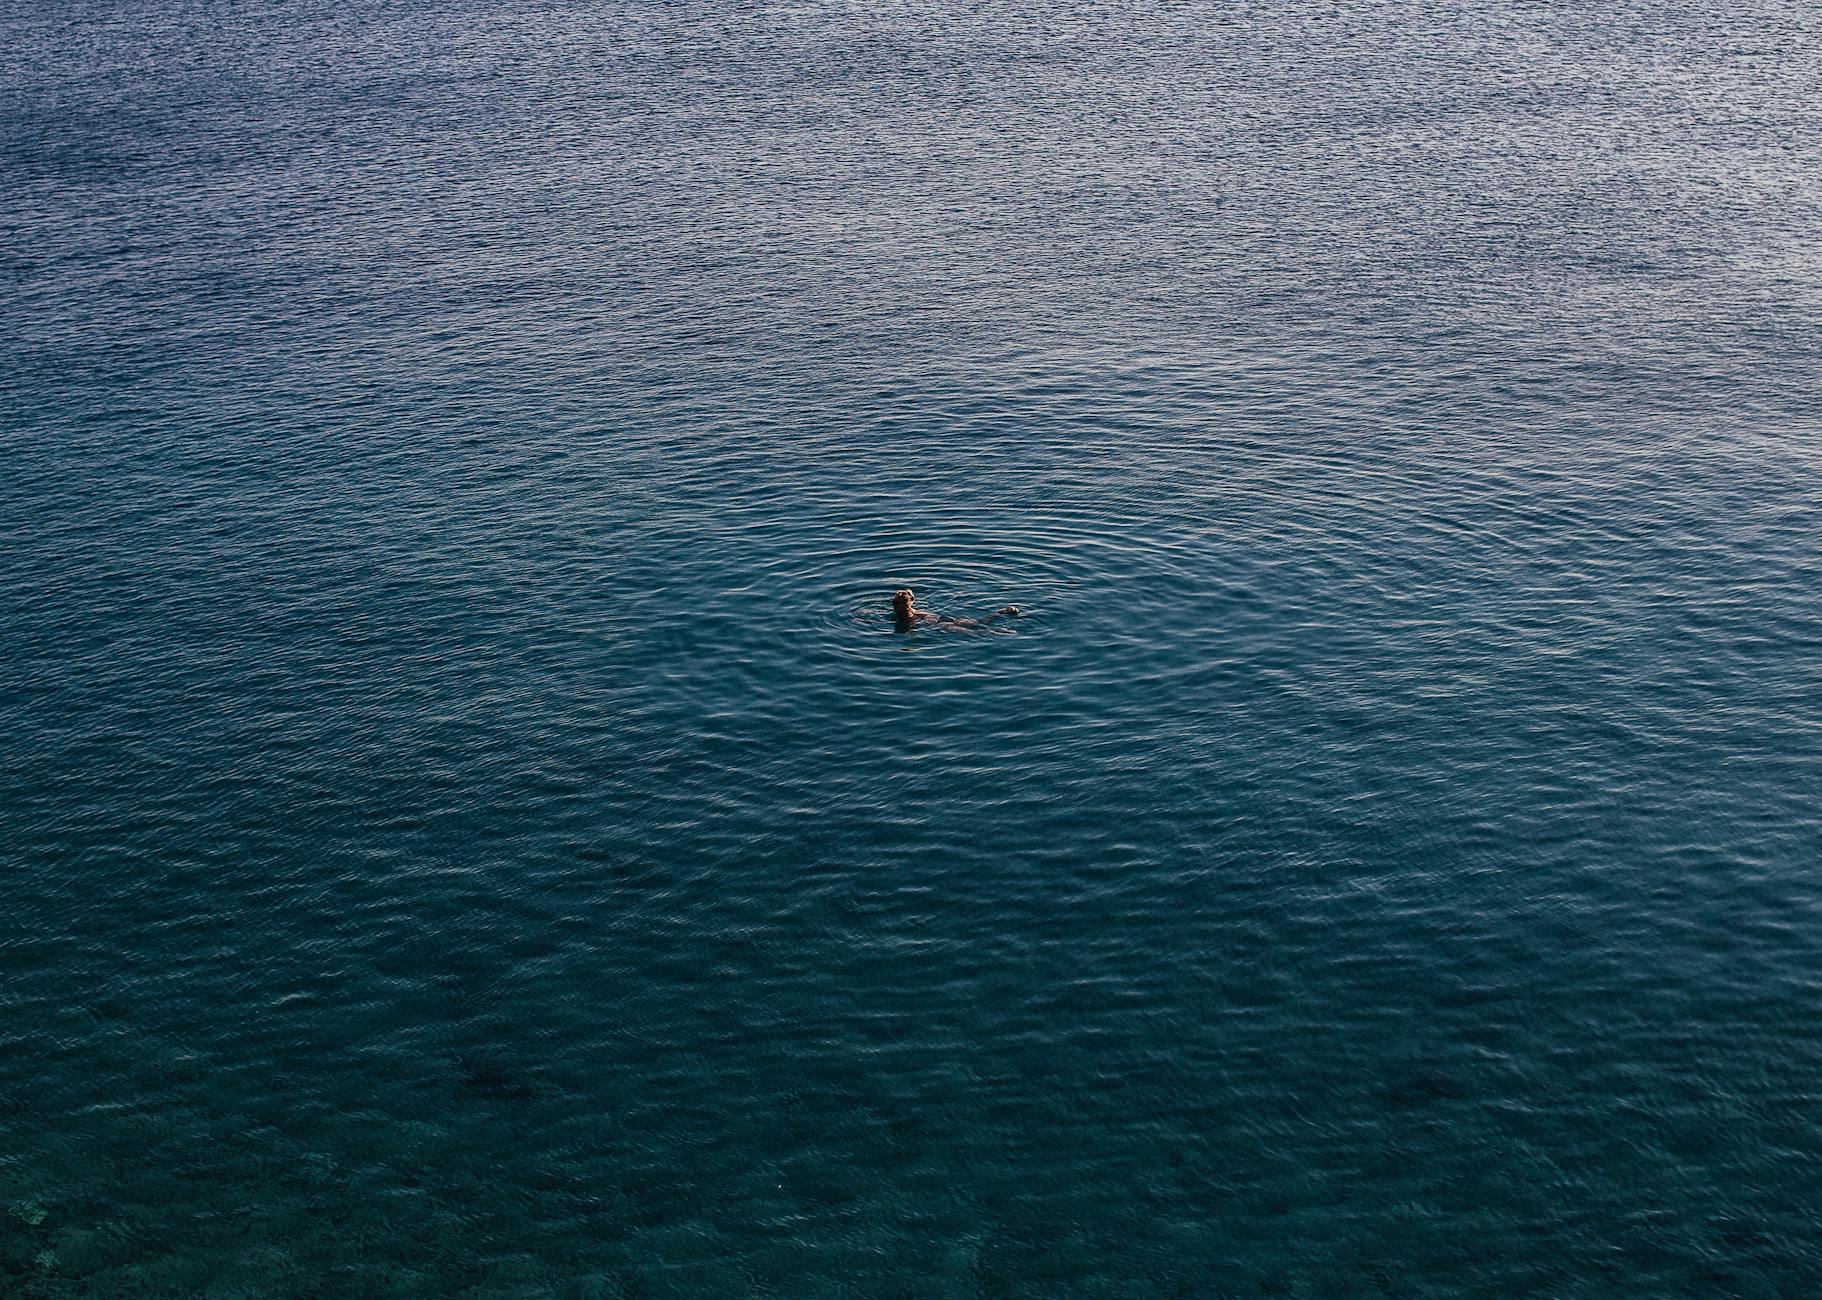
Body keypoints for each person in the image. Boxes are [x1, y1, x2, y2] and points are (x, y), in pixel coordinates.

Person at [891, 588, 1019, 631]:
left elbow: (912, 628)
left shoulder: (906, 615)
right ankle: (1001, 612)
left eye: (895, 602)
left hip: (941, 624)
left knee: (974, 632)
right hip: (942, 618)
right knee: (978, 622)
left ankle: (999, 630)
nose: (893, 604)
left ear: (904, 605)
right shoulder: (913, 610)